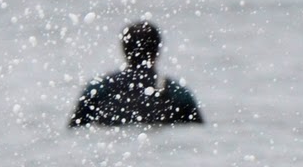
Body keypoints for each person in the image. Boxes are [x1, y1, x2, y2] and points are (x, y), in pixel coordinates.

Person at [69, 21, 203, 128]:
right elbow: (197, 135)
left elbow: (75, 132)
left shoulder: (98, 89)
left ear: (123, 49)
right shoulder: (176, 93)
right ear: (157, 50)